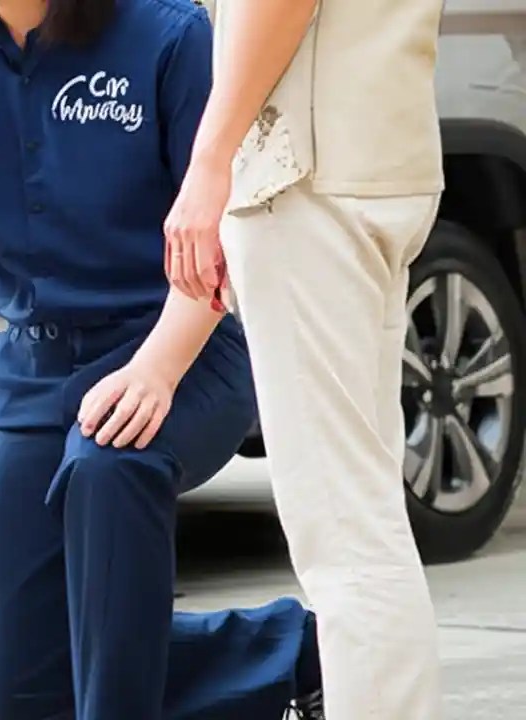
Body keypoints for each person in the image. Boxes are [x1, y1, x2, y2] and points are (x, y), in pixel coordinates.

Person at [0, 0, 323, 717]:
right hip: (38, 372)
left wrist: (157, 368)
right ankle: (295, 652)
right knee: (25, 684)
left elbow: (221, 227)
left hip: (183, 341)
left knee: (109, 464)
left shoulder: (168, 32)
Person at [163, 0, 447, 718]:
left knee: (346, 539)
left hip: (303, 173)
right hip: (380, 155)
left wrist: (211, 162)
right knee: (366, 523)